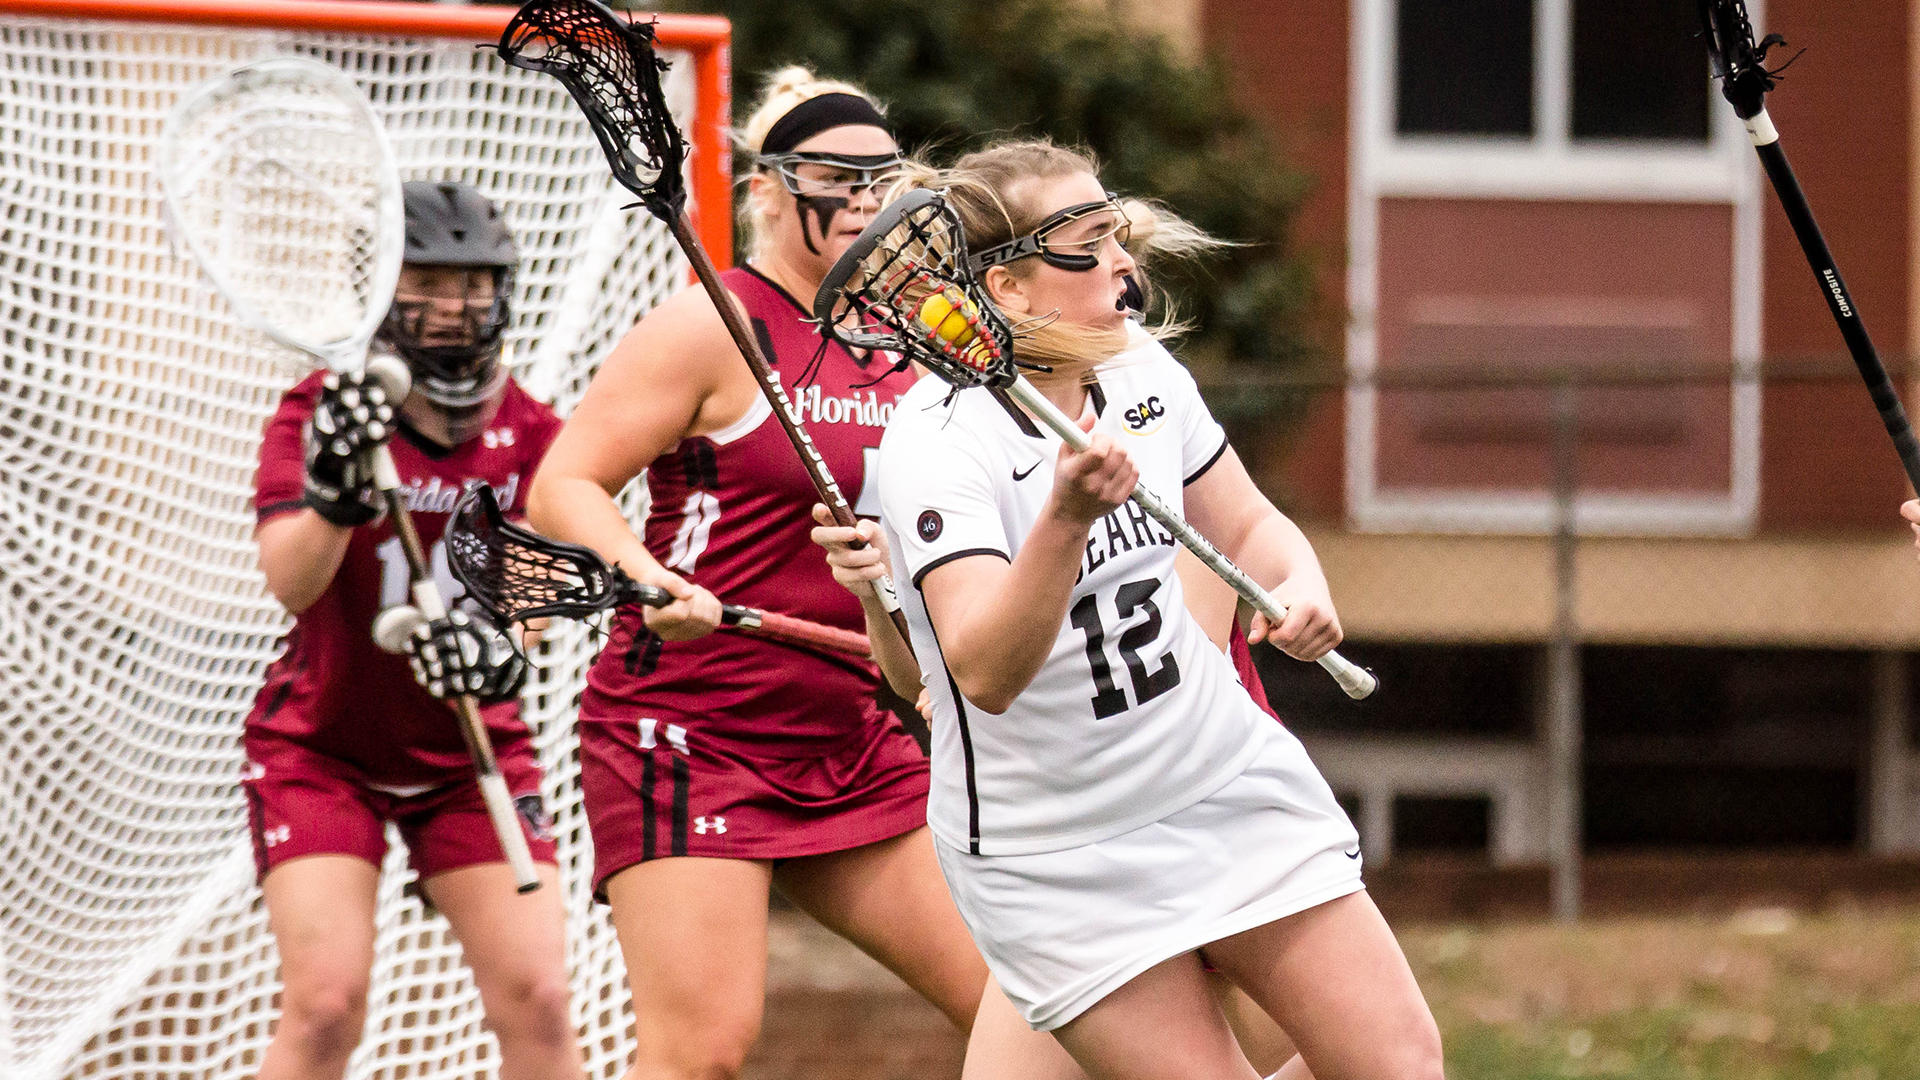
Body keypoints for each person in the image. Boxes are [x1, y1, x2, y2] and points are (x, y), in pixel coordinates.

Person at [873, 140, 1444, 1080]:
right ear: (1007, 289)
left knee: (1400, 1063)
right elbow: (982, 672)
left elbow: (1252, 525)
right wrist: (1063, 519)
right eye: (1088, 242)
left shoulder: (1140, 369)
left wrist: (1302, 587)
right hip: (1055, 848)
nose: (1124, 263)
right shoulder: (934, 444)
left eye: (1117, 233)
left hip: (1218, 779)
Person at [523, 69, 999, 1080]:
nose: (866, 204)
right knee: (702, 1055)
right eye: (839, 178)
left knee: (1026, 998)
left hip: (850, 731)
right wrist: (647, 577)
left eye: (883, 181)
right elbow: (563, 484)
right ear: (773, 189)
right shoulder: (713, 325)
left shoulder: (907, 343)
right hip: (689, 728)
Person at [244, 181, 583, 1080]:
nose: (453, 305)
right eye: (427, 281)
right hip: (322, 751)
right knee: (324, 1007)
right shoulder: (323, 414)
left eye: (473, 282)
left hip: (468, 760)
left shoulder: (536, 435)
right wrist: (337, 496)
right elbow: (291, 581)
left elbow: (537, 610)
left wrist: (498, 648)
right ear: (380, 288)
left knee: (543, 1003)